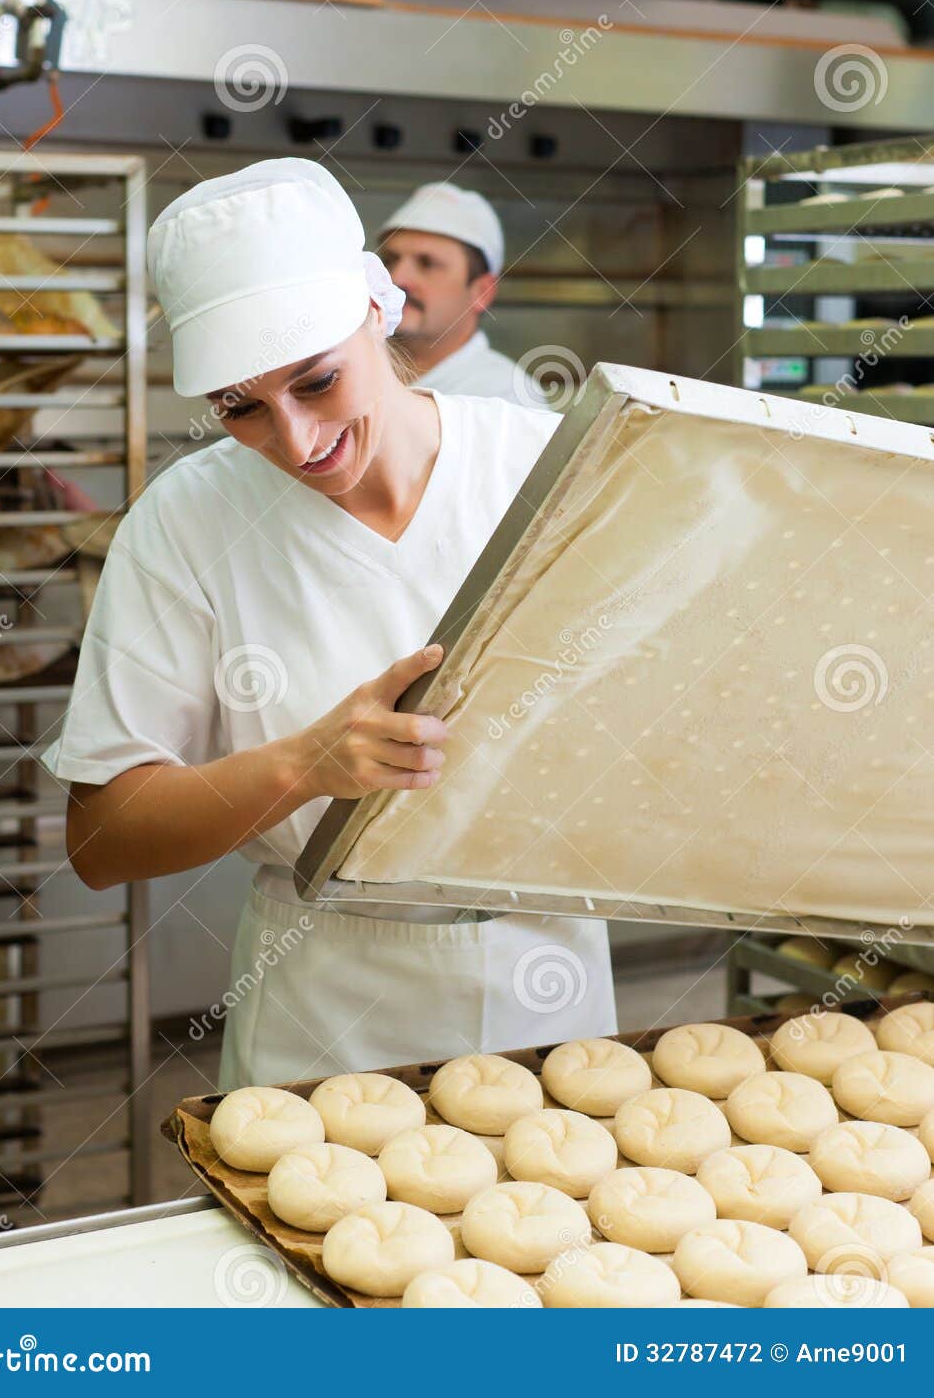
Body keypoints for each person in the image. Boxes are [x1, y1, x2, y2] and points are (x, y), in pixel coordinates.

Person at [45, 158, 614, 1091]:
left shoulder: (546, 465)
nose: (299, 444)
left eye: (317, 382)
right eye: (240, 409)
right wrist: (302, 765)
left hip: (549, 993)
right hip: (323, 1014)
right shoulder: (187, 521)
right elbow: (103, 840)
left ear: (377, 310)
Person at [377, 181, 547, 405]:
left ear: (481, 293)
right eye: (389, 260)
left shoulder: (509, 399)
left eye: (427, 264)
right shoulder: (348, 367)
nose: (396, 279)